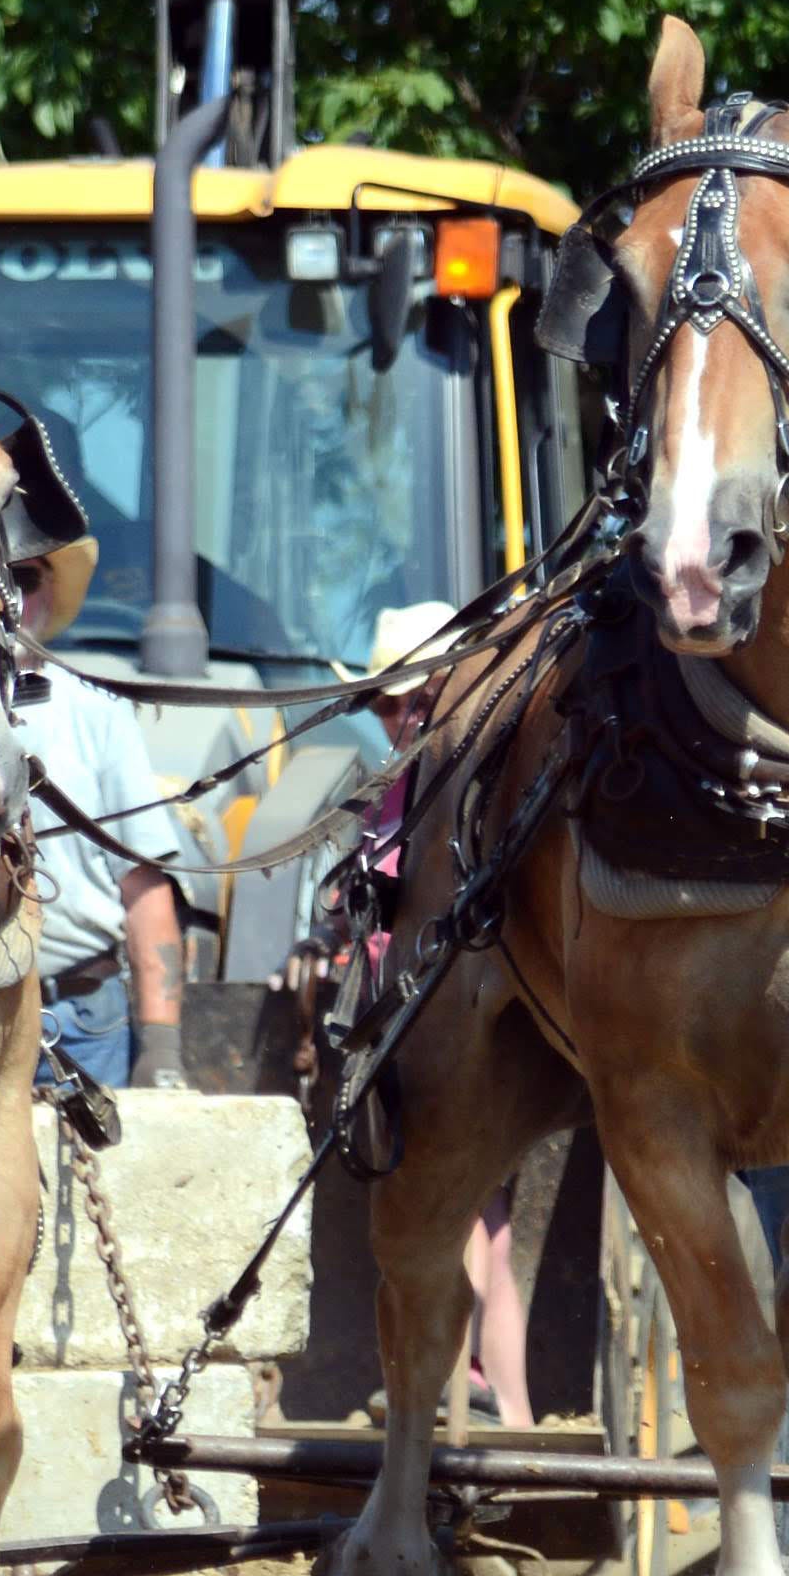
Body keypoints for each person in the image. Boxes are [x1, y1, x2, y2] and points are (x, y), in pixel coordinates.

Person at [281, 603, 535, 1427]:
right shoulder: (407, 789)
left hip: (454, 1030)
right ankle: (508, 1409)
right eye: (389, 705)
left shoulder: (447, 790)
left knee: (458, 1205)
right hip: (442, 1022)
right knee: (487, 1226)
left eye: (412, 701)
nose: (397, 718)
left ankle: (467, 1387)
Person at [13, 539, 188, 1090]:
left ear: (49, 592)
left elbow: (143, 888)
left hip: (81, 1023)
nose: (9, 596)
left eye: (24, 577)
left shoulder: (97, 712)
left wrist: (161, 1051)